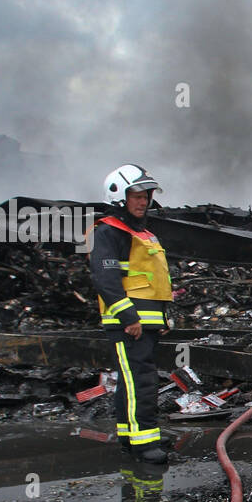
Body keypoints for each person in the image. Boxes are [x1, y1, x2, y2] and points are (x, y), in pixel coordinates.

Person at [89, 164, 173, 464]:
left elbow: (153, 281)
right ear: (119, 196)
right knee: (142, 382)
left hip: (145, 325)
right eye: (136, 195)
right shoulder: (109, 232)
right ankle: (145, 444)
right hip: (128, 326)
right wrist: (129, 319)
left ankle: (130, 436)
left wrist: (161, 319)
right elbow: (105, 279)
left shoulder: (144, 234)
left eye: (146, 195)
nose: (143, 201)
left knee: (130, 382)